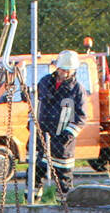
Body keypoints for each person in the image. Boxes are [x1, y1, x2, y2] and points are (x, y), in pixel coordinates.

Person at [33, 50, 87, 196]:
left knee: (63, 177)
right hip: (42, 136)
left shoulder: (77, 90)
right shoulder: (44, 82)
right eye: (63, 70)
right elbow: (33, 101)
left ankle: (62, 205)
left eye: (69, 70)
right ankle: (33, 199)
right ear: (57, 68)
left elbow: (81, 117)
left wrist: (67, 135)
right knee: (35, 173)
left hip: (63, 141)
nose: (66, 74)